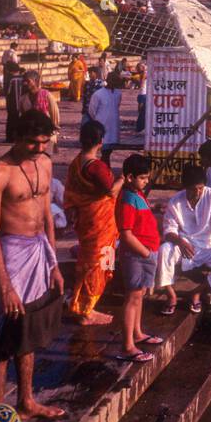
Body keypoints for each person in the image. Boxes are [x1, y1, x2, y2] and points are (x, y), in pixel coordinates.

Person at [0, 110, 65, 421]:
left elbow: (47, 219)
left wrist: (54, 264)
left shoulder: (44, 162)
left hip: (38, 250)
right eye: (32, 142)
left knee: (28, 330)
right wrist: (5, 285)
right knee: (6, 334)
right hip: (10, 253)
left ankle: (27, 400)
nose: (39, 148)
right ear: (17, 136)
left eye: (44, 142)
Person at [156, 163, 211, 316]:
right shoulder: (175, 201)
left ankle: (197, 293)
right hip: (186, 246)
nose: (198, 192)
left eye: (201, 188)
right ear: (185, 187)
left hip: (210, 246)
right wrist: (181, 242)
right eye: (194, 189)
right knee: (164, 249)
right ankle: (171, 295)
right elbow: (168, 231)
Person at [64, 119, 123, 326]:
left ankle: (83, 304)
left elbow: (72, 192)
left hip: (87, 219)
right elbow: (111, 190)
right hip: (99, 222)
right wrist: (123, 178)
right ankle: (86, 311)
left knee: (90, 262)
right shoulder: (95, 167)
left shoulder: (77, 162)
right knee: (97, 264)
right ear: (100, 141)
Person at [114, 155, 163, 360]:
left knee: (139, 294)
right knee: (132, 297)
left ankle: (137, 332)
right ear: (130, 177)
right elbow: (125, 233)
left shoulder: (137, 194)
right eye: (142, 178)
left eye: (147, 178)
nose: (146, 181)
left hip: (146, 252)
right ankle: (127, 346)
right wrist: (144, 252)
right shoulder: (126, 199)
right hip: (137, 255)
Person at [88, 71, 123, 164]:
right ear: (108, 80)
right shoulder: (98, 94)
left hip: (113, 126)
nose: (114, 83)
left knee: (108, 151)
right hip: (101, 125)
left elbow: (117, 106)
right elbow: (92, 111)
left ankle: (105, 167)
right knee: (104, 150)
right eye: (113, 80)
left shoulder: (118, 93)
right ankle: (104, 168)